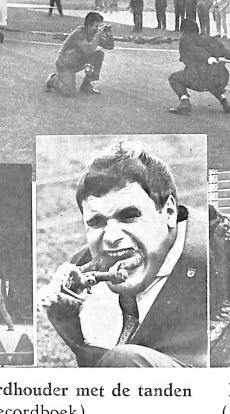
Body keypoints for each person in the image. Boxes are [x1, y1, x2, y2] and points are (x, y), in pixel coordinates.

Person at [41, 141, 208, 367]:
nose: (111, 237)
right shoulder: (80, 271)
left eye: (129, 216)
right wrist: (68, 322)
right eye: (96, 222)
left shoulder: (212, 260)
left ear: (169, 211)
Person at [168, 19, 230, 115]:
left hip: (199, 77)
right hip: (222, 77)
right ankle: (224, 101)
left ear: (183, 31)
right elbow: (222, 49)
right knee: (213, 81)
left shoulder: (185, 40)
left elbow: (196, 50)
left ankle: (184, 102)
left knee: (173, 78)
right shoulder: (208, 38)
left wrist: (207, 58)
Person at [45, 11, 113, 97]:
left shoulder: (95, 34)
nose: (99, 28)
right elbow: (88, 50)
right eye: (97, 26)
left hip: (79, 61)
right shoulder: (79, 33)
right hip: (65, 63)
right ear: (89, 25)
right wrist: (97, 35)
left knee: (99, 55)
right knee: (69, 93)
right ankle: (53, 80)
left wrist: (109, 35)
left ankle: (86, 85)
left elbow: (110, 46)